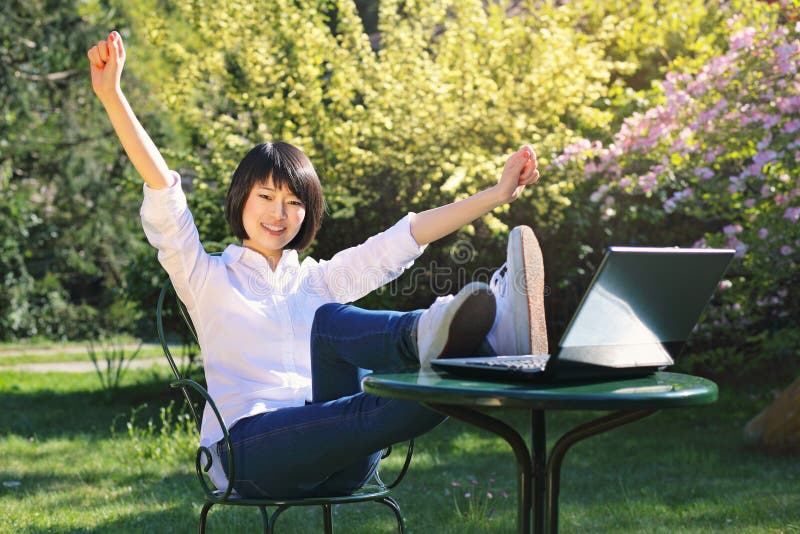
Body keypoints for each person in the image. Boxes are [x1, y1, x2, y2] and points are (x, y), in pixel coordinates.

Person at [87, 31, 544, 498]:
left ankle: (488, 343)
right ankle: (462, 340)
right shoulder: (205, 276)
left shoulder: (317, 281)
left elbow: (401, 239)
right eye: (265, 196)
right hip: (250, 454)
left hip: (344, 458)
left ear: (309, 211)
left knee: (338, 329)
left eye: (293, 201)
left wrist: (497, 194)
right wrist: (113, 95)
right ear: (241, 200)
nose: (279, 213)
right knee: (372, 398)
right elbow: (164, 191)